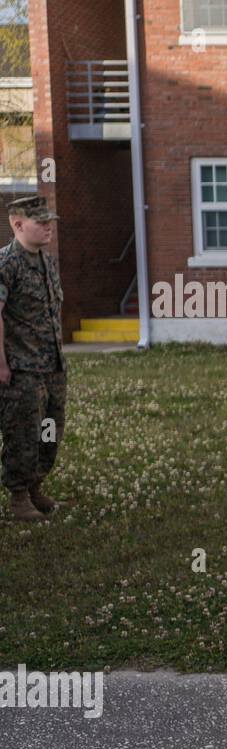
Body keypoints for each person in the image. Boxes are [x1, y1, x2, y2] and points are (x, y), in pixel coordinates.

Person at [0, 196, 67, 522]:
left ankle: (37, 487)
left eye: (49, 221)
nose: (48, 227)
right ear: (17, 224)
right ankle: (19, 497)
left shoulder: (47, 262)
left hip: (52, 367)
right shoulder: (6, 264)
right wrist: (1, 364)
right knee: (23, 433)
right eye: (41, 222)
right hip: (22, 369)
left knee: (50, 430)